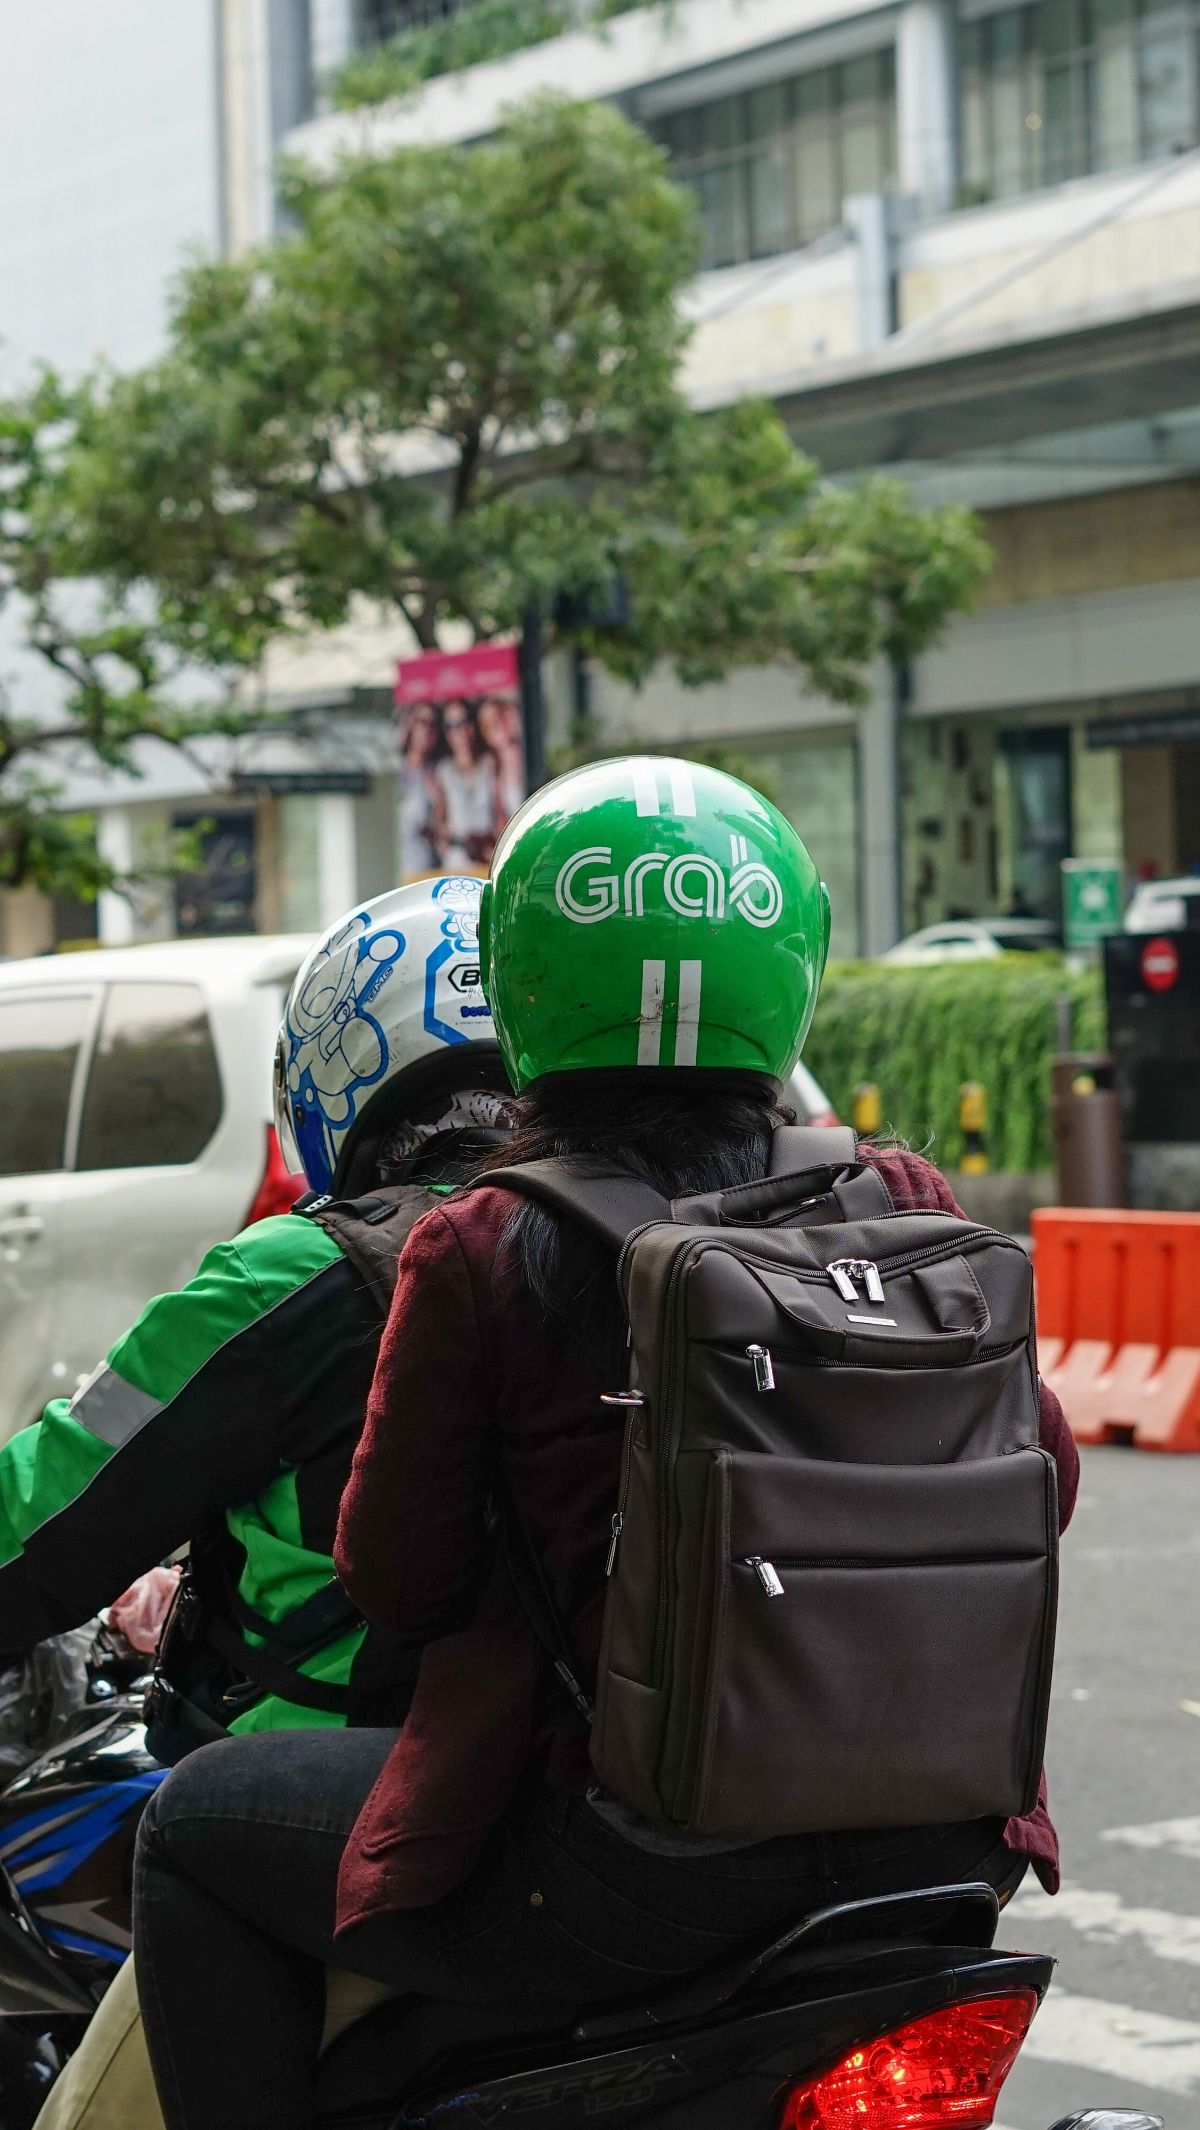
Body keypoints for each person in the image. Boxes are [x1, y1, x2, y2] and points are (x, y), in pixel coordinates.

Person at [132, 759, 1079, 2130]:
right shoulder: (900, 1197)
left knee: (191, 1826)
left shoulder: (485, 1242)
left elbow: (397, 1576)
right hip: (947, 1847)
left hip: (632, 1871)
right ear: (795, 960)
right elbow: (1047, 1482)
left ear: (518, 980)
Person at [4, 877, 510, 2130]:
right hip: (665, 1835)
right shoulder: (668, 1244)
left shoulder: (301, 1273)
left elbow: (47, 1516)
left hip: (364, 1840)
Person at [435, 700, 499, 867]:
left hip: (487, 857)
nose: (460, 731)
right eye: (451, 726)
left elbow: (499, 814)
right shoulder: (443, 771)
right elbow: (439, 819)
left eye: (464, 722)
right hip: (457, 861)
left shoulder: (489, 764)